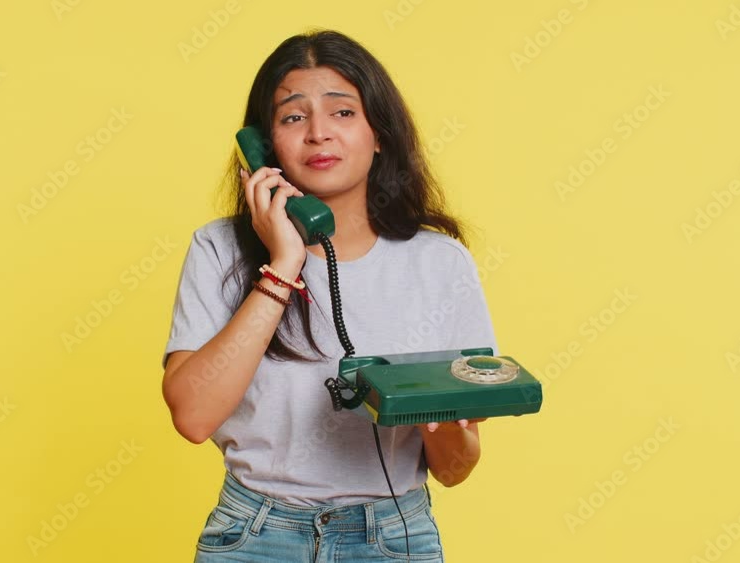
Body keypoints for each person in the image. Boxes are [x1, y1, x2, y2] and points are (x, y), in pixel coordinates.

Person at [160, 29, 498, 562]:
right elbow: (194, 417)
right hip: (254, 532)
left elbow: (455, 470)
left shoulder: (439, 263)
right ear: (264, 147)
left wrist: (443, 422)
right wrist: (284, 263)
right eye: (294, 117)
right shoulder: (218, 249)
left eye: (342, 113)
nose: (319, 134)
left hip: (393, 536)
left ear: (379, 133)